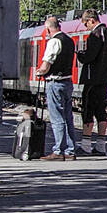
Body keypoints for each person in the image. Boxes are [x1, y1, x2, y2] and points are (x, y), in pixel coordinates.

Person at [33, 15, 78, 161]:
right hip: (68, 82)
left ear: (47, 29)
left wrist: (39, 71)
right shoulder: (69, 40)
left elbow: (46, 65)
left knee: (57, 117)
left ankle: (58, 151)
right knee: (68, 117)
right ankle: (70, 151)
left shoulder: (54, 41)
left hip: (55, 82)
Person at [75, 11, 107, 156]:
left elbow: (90, 56)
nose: (85, 27)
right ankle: (101, 146)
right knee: (101, 111)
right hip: (106, 78)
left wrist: (80, 54)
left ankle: (86, 145)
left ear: (91, 20)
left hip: (93, 79)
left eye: (85, 23)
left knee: (88, 110)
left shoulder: (95, 35)